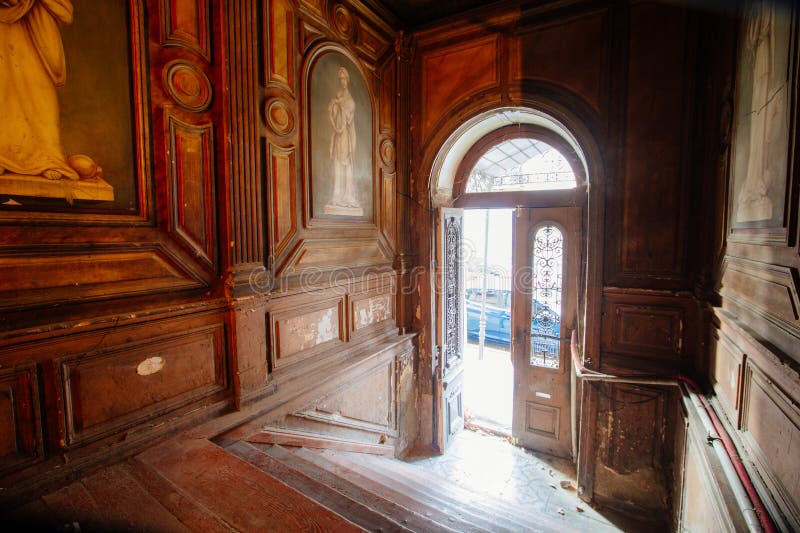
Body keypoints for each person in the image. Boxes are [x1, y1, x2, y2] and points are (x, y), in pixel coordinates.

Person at [0, 0, 79, 180]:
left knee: (39, 96)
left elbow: (65, 12)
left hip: (34, 30)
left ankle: (48, 159)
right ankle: (3, 157)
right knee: (3, 94)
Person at [325, 66, 361, 214]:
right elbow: (332, 115)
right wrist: (333, 106)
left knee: (346, 165)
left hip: (346, 135)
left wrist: (340, 105)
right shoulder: (338, 95)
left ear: (348, 80)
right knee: (337, 164)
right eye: (341, 79)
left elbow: (348, 117)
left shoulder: (350, 100)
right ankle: (337, 196)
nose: (343, 81)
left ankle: (348, 196)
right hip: (338, 135)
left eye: (344, 78)